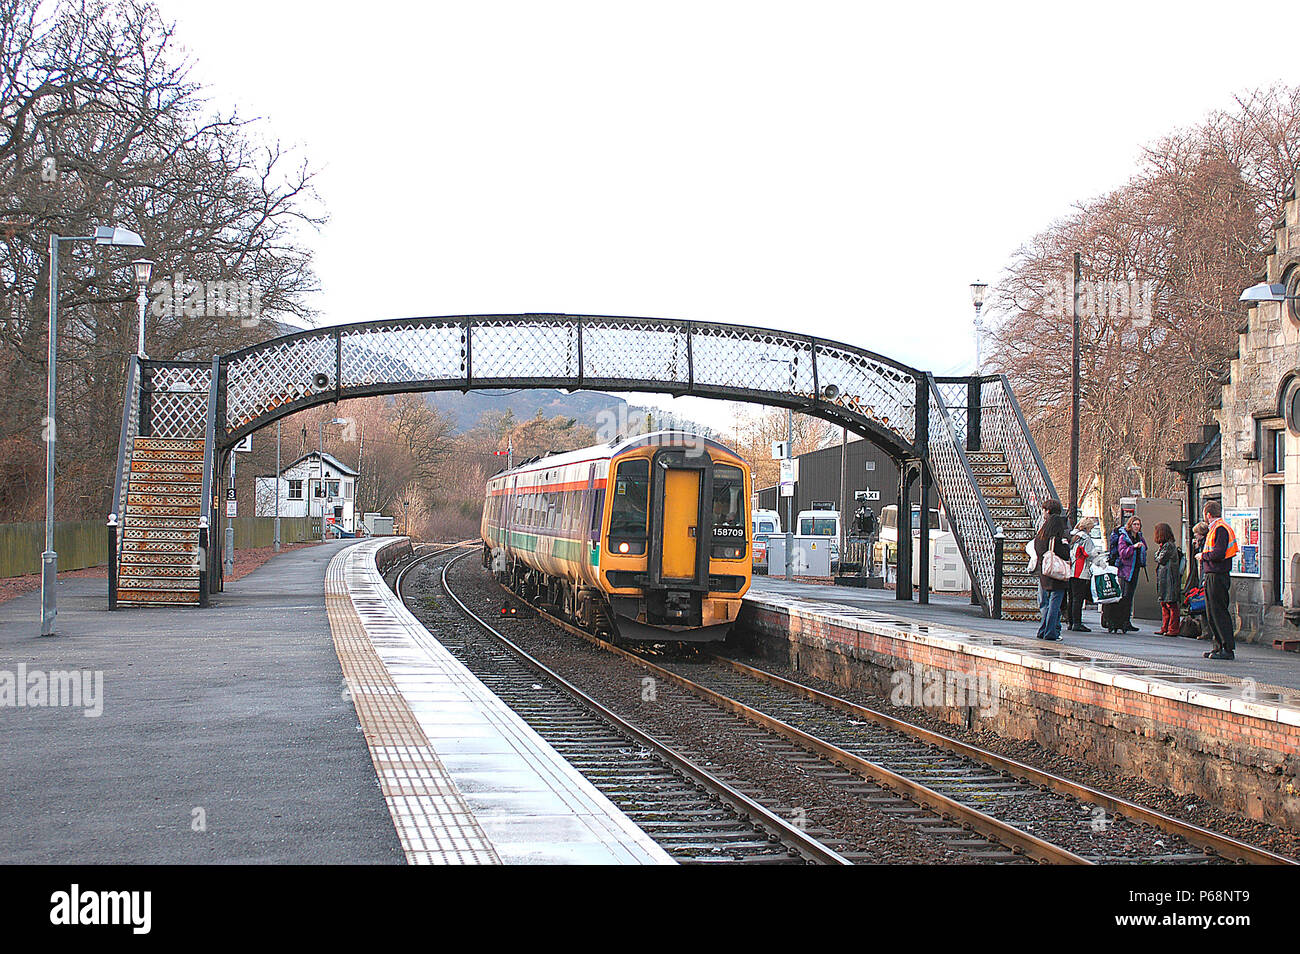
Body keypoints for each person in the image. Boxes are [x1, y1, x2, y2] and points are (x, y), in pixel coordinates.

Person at [1198, 501, 1238, 660]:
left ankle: (1227, 648)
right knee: (1211, 612)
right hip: (1212, 574)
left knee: (1218, 611)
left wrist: (1203, 556)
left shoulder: (1220, 529)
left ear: (1208, 514)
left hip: (1218, 575)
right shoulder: (1216, 528)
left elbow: (1219, 553)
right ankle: (1218, 646)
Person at [1032, 510, 1071, 641]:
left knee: (1047, 604)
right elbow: (1065, 555)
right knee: (1054, 605)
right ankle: (1050, 632)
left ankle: (1042, 630)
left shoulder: (1040, 538)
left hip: (1044, 573)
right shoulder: (1057, 541)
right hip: (1057, 575)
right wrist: (1065, 545)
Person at [1111, 516, 1147, 633]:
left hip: (1135, 568)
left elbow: (1145, 548)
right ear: (1130, 525)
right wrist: (1133, 547)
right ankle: (1119, 621)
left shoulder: (1140, 537)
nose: (1137, 527)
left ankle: (1126, 621)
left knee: (1130, 596)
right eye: (1135, 524)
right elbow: (1123, 553)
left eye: (1138, 525)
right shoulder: (1124, 537)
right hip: (1125, 570)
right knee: (1124, 596)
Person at [1066, 516, 1098, 632]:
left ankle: (1070, 622)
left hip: (1070, 570)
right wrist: (1102, 565)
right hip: (1081, 571)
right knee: (1078, 598)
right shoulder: (1086, 539)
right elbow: (1091, 554)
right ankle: (1077, 622)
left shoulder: (1073, 536)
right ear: (1088, 527)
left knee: (1072, 597)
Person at [1153, 522, 1182, 636]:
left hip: (1169, 579)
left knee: (1171, 604)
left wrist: (1157, 554)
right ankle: (1165, 627)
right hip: (1165, 578)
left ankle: (1173, 628)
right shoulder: (1166, 545)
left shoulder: (1168, 546)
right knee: (1165, 603)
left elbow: (1160, 558)